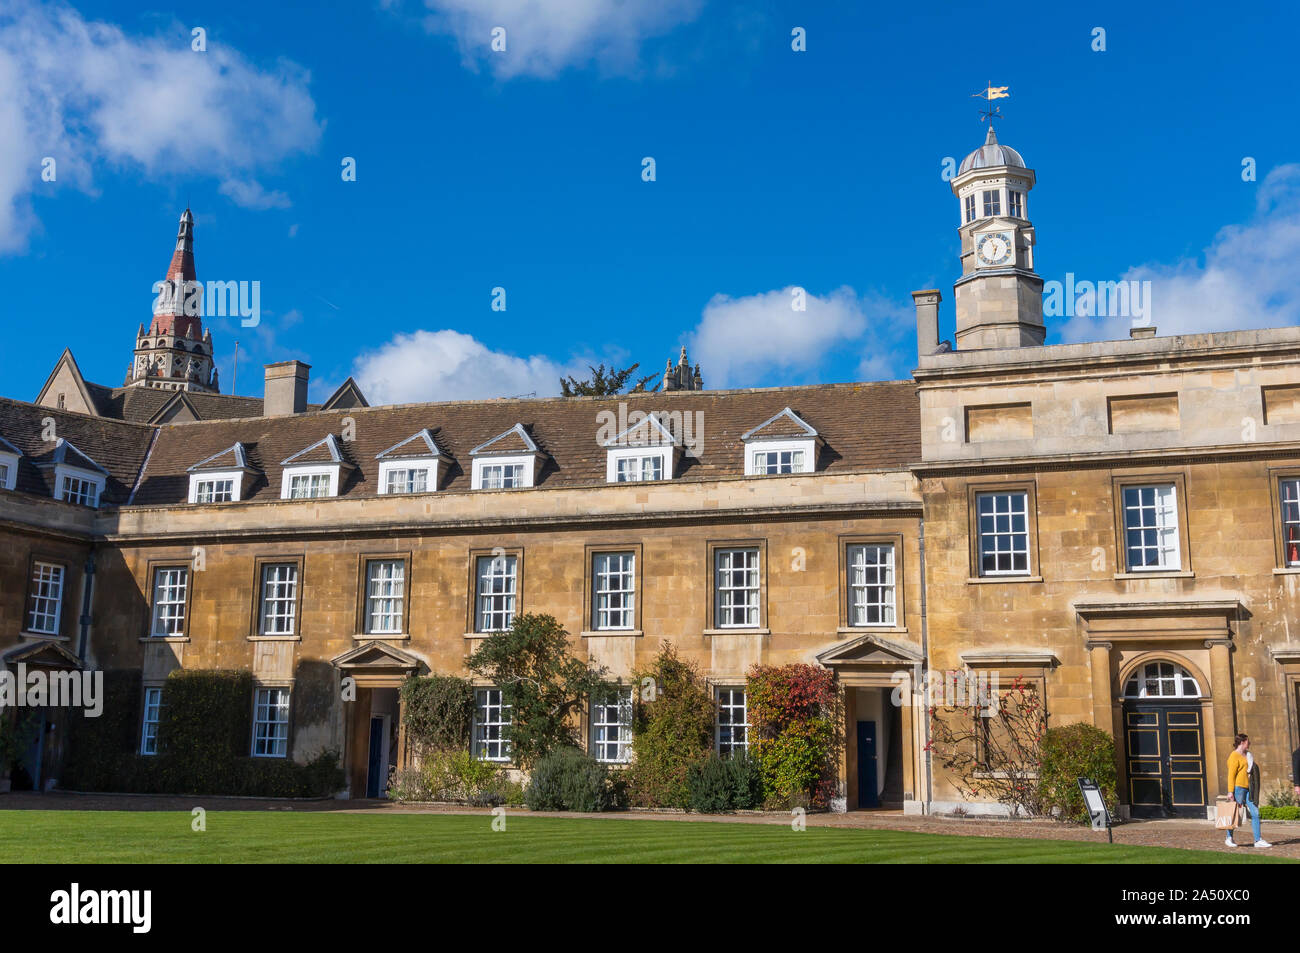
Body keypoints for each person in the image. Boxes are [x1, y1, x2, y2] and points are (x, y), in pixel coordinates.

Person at [1225, 733, 1270, 848]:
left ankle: (1258, 840)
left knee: (1255, 813)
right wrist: (1230, 792)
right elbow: (1231, 775)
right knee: (1234, 813)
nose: (1249, 743)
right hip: (1238, 788)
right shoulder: (1234, 756)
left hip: (1249, 788)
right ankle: (1229, 838)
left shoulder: (1248, 755)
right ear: (1242, 742)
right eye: (1248, 742)